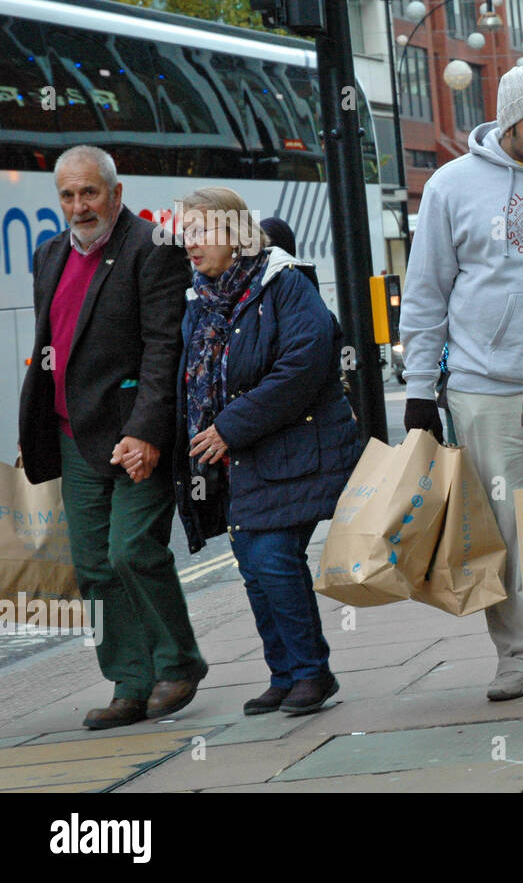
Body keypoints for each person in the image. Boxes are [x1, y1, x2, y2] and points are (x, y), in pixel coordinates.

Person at [18, 145, 206, 730]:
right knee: (93, 566)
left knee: (133, 550)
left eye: (90, 192)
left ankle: (179, 662)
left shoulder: (151, 250)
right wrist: (37, 428)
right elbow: (54, 350)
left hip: (133, 435)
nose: (79, 206)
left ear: (116, 193)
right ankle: (130, 684)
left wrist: (147, 432)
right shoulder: (49, 254)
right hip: (74, 436)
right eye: (68, 195)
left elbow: (163, 349)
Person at [400, 64, 523, 702]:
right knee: (505, 527)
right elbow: (424, 296)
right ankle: (517, 658)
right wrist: (420, 392)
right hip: (487, 386)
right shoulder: (451, 187)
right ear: (508, 123)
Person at [172, 187, 361, 715]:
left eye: (200, 231)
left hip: (297, 448)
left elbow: (303, 364)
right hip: (244, 462)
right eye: (184, 233)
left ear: (236, 234)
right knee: (254, 566)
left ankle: (310, 673)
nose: (190, 244)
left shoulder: (284, 284)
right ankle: (284, 673)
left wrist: (230, 426)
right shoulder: (201, 300)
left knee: (274, 559)